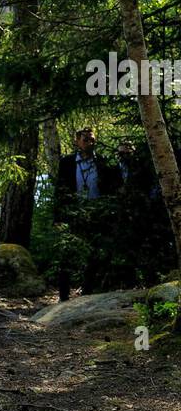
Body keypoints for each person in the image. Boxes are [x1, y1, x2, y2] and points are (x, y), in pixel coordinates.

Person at [54, 127, 121, 300]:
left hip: (98, 213)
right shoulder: (67, 163)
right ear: (77, 141)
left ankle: (88, 293)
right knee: (67, 255)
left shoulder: (103, 162)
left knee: (95, 255)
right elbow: (60, 191)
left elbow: (114, 188)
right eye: (85, 139)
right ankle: (63, 296)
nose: (90, 143)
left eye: (92, 140)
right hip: (73, 213)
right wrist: (58, 217)